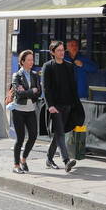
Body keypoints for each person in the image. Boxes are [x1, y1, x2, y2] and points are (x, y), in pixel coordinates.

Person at [41, 41, 80, 172]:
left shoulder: (69, 66)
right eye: (59, 50)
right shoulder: (48, 67)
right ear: (52, 52)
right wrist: (50, 105)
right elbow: (46, 88)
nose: (62, 52)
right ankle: (66, 160)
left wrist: (74, 104)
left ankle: (49, 159)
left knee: (59, 133)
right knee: (61, 133)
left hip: (67, 104)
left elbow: (72, 86)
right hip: (55, 106)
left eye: (63, 50)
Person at [10, 49, 43, 173]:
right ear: (22, 62)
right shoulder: (16, 75)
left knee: (33, 136)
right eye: (28, 60)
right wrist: (31, 91)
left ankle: (23, 159)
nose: (31, 62)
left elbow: (39, 91)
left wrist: (28, 92)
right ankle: (16, 165)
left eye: (32, 59)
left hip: (31, 110)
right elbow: (19, 93)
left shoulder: (35, 75)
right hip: (18, 111)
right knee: (20, 138)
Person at [66, 38, 97, 160]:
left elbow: (95, 68)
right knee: (67, 121)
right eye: (71, 45)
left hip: (81, 95)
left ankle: (81, 146)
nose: (73, 47)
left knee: (81, 121)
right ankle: (67, 146)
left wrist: (83, 65)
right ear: (67, 47)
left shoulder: (83, 58)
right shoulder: (64, 59)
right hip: (67, 97)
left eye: (75, 45)